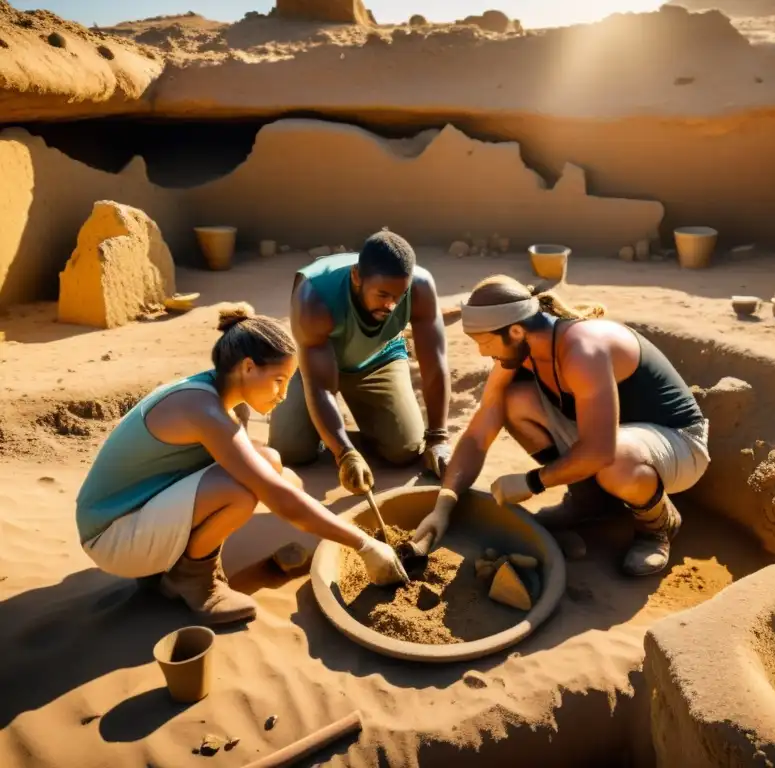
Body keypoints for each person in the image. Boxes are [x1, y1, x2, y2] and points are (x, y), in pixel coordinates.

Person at [75, 304, 409, 626]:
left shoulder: (221, 397)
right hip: (111, 538)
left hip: (136, 512)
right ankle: (192, 581)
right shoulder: (204, 411)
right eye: (279, 380)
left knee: (268, 461)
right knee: (240, 489)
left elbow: (269, 472)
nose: (282, 395)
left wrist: (293, 487)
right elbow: (270, 491)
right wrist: (364, 545)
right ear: (248, 367)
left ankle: (171, 563)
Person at [410, 276, 711, 576]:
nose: (483, 353)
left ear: (515, 330)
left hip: (680, 444)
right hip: (620, 439)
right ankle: (590, 502)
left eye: (485, 342)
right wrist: (444, 505)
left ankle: (656, 527)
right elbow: (478, 433)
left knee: (615, 457)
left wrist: (533, 481)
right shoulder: (522, 351)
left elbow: (601, 450)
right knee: (514, 402)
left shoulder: (583, 350)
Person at [268, 229, 452, 497]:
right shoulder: (315, 295)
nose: (391, 306)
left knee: (403, 451)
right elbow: (320, 387)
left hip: (379, 358)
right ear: (356, 277)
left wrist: (437, 437)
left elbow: (435, 365)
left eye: (399, 296)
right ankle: (330, 436)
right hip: (315, 365)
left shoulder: (421, 287)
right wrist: (344, 454)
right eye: (382, 295)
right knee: (290, 450)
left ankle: (345, 432)